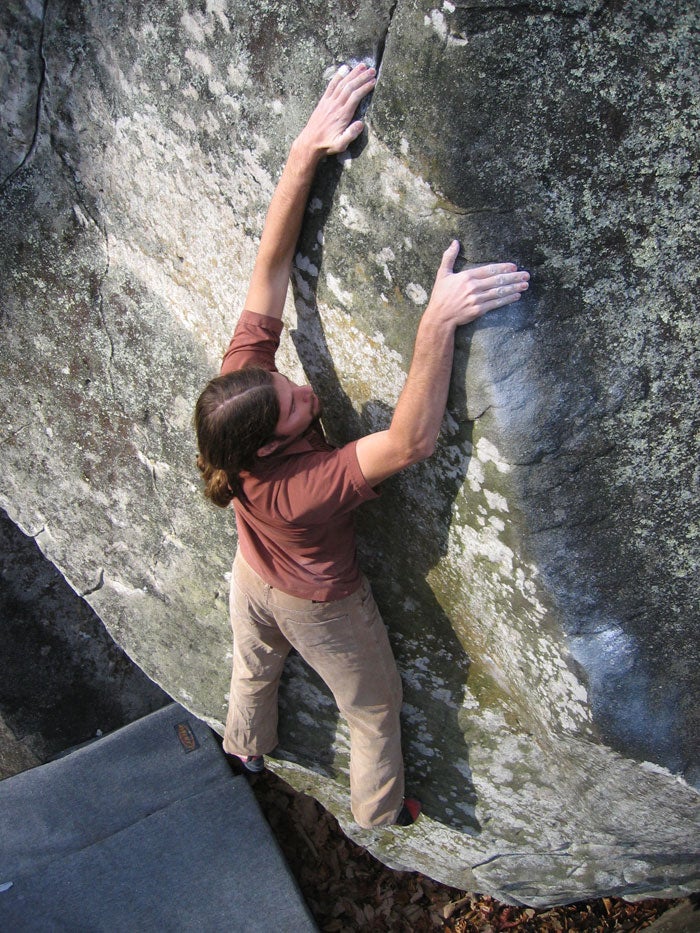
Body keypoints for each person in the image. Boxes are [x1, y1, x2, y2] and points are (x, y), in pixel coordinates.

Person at [194, 62, 529, 828]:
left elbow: (271, 267)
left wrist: (304, 151)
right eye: (293, 410)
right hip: (322, 605)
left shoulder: (237, 399)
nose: (304, 391)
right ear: (267, 449)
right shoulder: (300, 485)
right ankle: (379, 813)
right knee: (374, 704)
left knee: (253, 659)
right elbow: (409, 440)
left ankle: (244, 747)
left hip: (253, 571)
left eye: (284, 384)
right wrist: (437, 322)